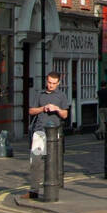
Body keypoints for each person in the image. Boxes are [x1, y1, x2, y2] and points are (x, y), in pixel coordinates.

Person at [26, 70, 69, 200]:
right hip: (39, 132)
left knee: (52, 162)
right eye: (49, 82)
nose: (51, 85)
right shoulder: (39, 94)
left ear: (58, 83)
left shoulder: (61, 96)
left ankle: (53, 188)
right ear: (46, 81)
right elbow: (31, 111)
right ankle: (34, 190)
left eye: (54, 83)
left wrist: (57, 109)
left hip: (54, 133)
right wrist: (43, 108)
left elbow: (65, 115)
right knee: (35, 161)